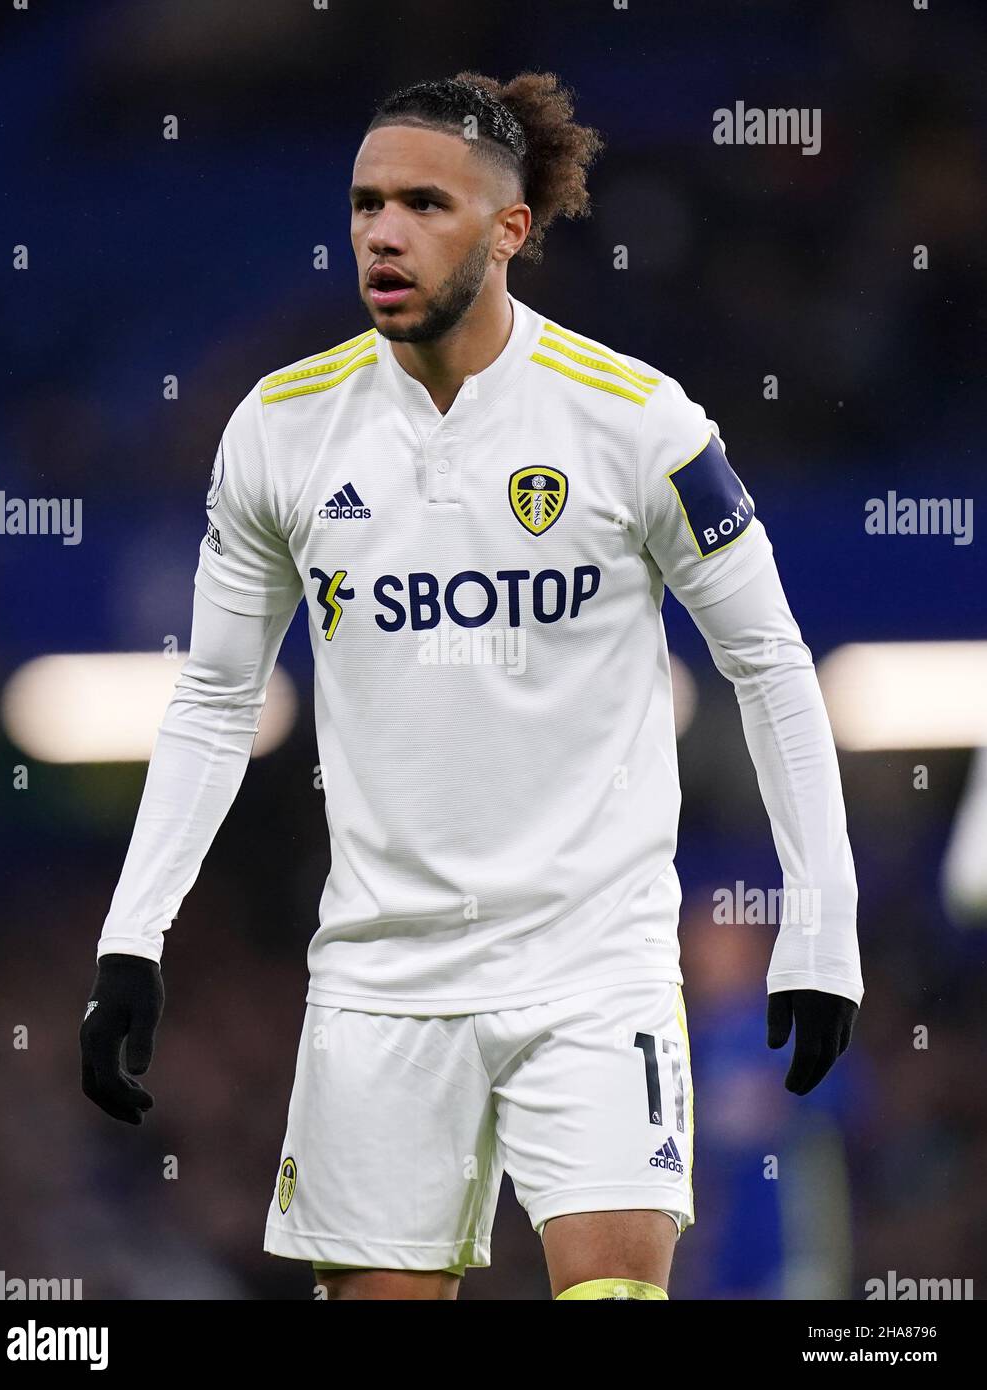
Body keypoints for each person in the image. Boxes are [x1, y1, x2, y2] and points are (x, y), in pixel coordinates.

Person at [80, 71, 862, 1301]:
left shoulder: (637, 423)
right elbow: (215, 699)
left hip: (592, 964)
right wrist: (133, 936)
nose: (382, 233)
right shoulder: (279, 432)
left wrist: (822, 933)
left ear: (508, 229)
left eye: (424, 204)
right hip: (381, 981)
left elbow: (767, 663)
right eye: (365, 204)